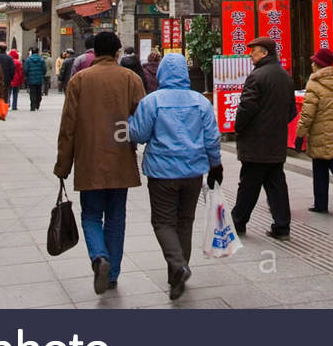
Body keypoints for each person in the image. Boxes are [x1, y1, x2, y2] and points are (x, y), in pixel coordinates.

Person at [54, 32, 145, 294]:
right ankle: (113, 273)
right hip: (121, 159)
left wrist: (63, 165)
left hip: (89, 159)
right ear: (117, 53)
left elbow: (68, 126)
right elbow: (141, 120)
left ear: (94, 53)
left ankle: (99, 257)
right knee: (116, 217)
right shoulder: (131, 79)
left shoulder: (79, 80)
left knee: (92, 214)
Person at [127, 52, 222, 301]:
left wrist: (127, 121)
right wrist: (216, 165)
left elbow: (138, 134)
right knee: (185, 221)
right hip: (193, 172)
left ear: (161, 74)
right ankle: (178, 272)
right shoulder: (201, 102)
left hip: (162, 173)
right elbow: (212, 138)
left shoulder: (152, 101)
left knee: (163, 222)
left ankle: (178, 266)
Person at [230, 37, 296, 240]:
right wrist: (276, 124)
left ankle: (237, 223)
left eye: (254, 51)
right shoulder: (285, 76)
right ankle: (282, 226)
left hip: (256, 142)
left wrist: (239, 127)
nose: (251, 54)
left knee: (249, 184)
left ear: (265, 53)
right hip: (276, 141)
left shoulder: (257, 76)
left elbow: (246, 108)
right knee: (276, 184)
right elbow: (292, 111)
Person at [294, 47, 333, 219]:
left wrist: (300, 134)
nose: (312, 64)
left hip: (320, 134)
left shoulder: (314, 84)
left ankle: (321, 204)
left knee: (320, 170)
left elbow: (307, 113)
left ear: (319, 65)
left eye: (314, 61)